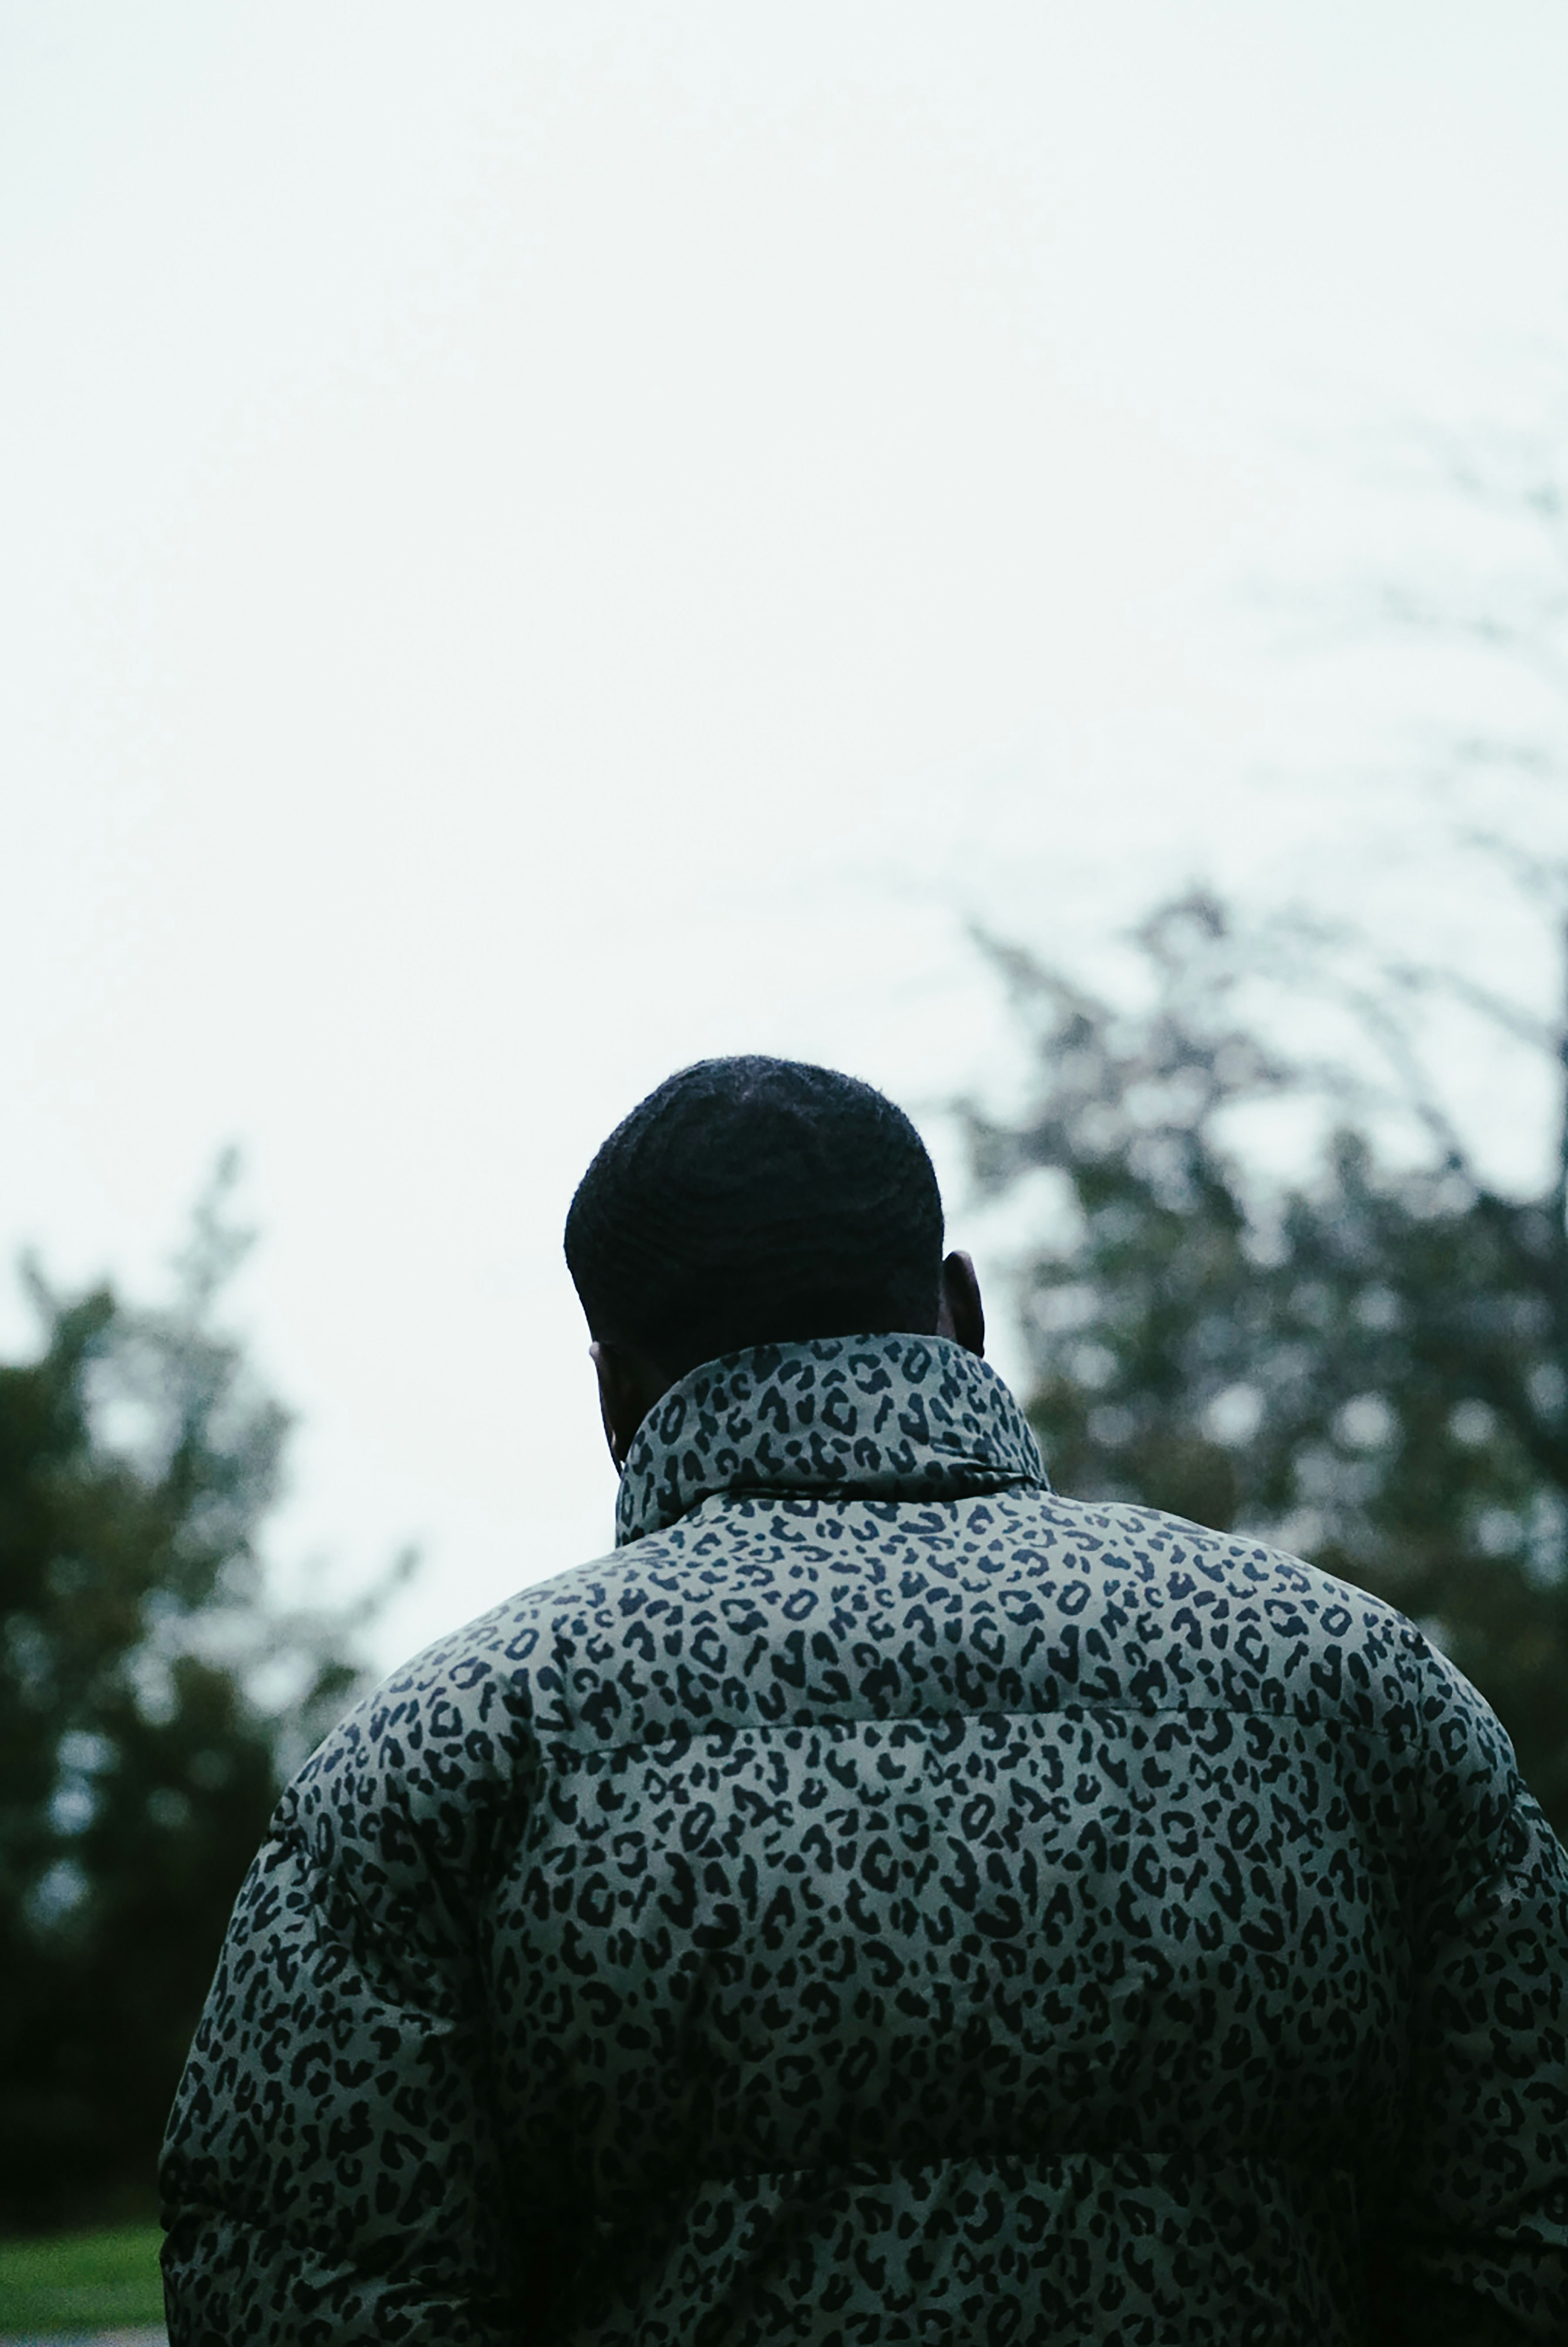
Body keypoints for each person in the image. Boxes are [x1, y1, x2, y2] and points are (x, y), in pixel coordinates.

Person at [160, 1054, 1568, 2344]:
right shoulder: (1355, 1686)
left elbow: (308, 2294)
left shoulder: (443, 1761)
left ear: (616, 1392)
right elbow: (1521, 2233)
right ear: (961, 1311)